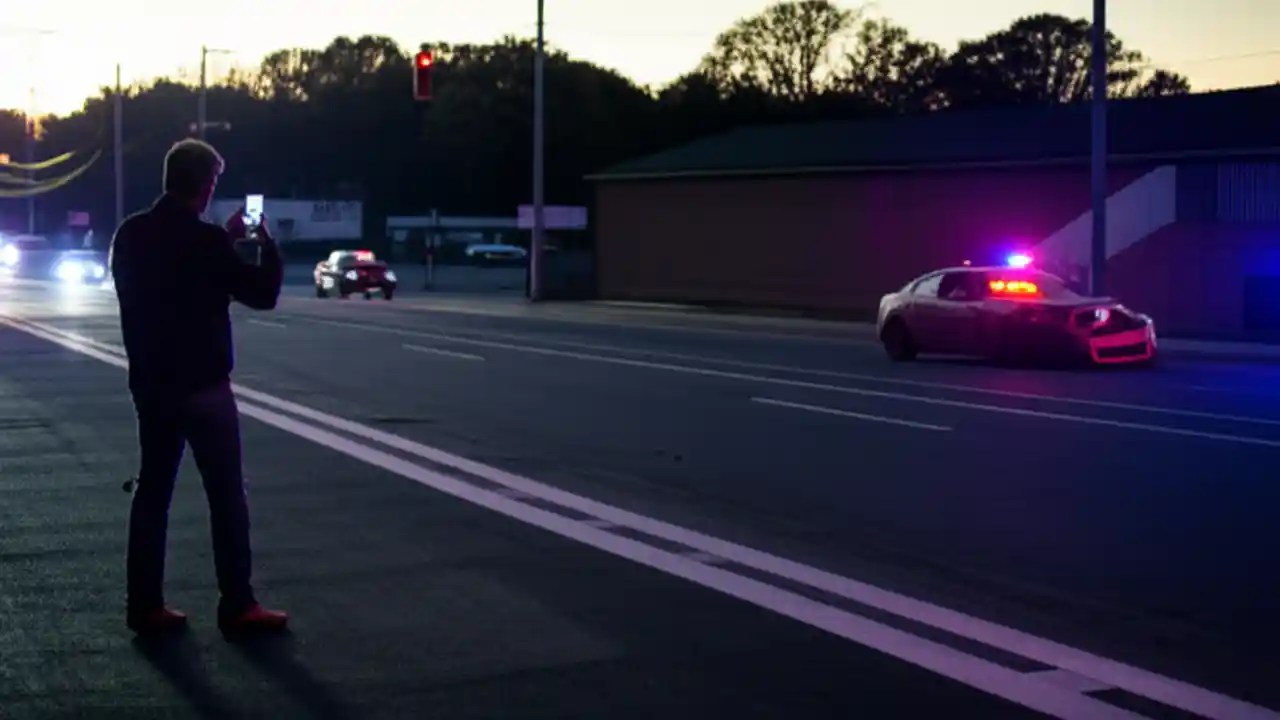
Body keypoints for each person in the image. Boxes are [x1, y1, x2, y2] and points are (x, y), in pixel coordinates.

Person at [110, 138, 288, 637]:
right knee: (226, 496)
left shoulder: (131, 235)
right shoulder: (208, 243)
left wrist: (217, 243)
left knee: (153, 496)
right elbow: (262, 294)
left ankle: (145, 605)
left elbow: (163, 278)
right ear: (207, 186)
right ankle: (238, 603)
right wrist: (263, 246)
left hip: (150, 385)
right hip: (204, 386)